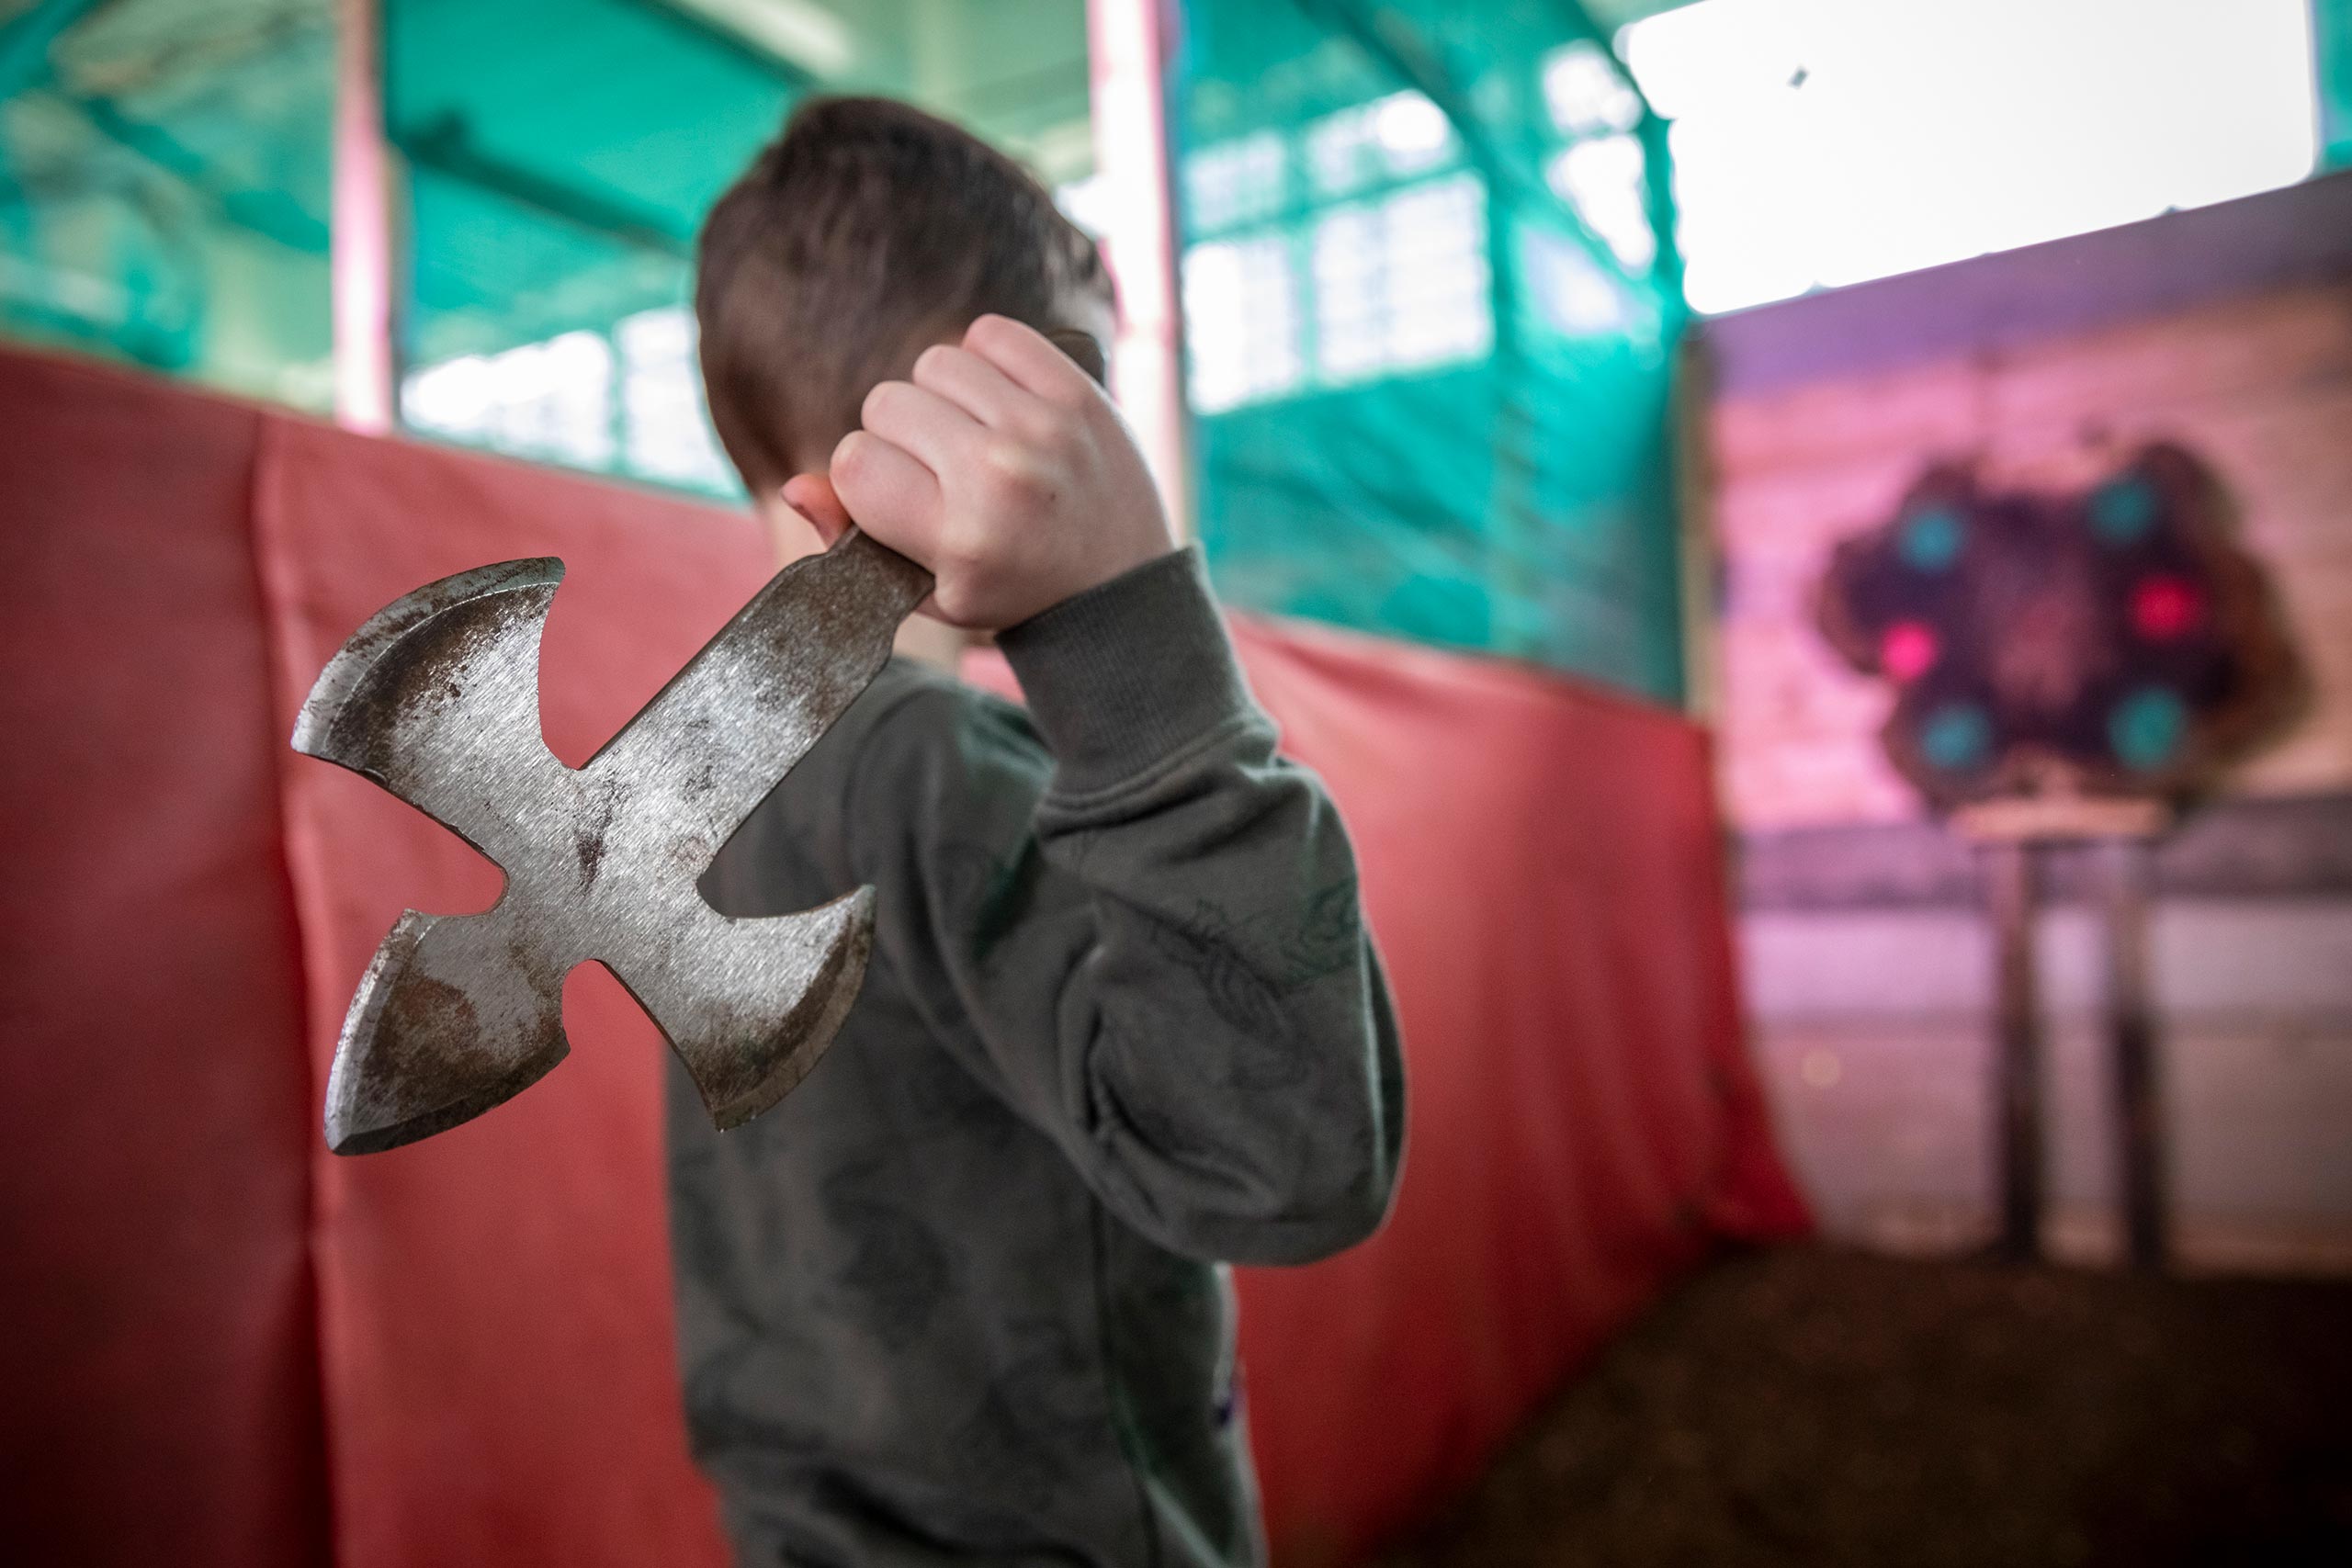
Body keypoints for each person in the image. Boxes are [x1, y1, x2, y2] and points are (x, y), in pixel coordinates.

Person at [669, 95, 1405, 1567]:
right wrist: (1124, 627)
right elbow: (1285, 1161)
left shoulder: (710, 774)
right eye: (1069, 425)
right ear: (870, 489)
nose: (1098, 474)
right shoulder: (933, 763)